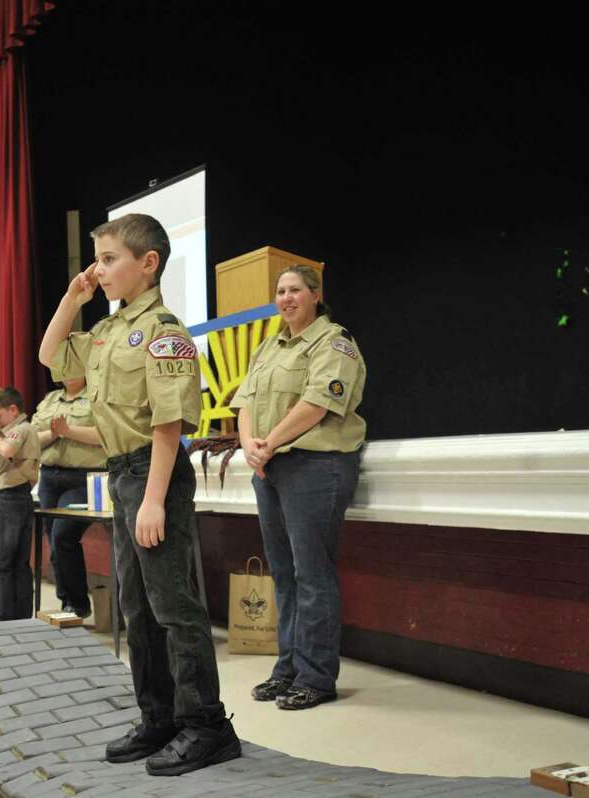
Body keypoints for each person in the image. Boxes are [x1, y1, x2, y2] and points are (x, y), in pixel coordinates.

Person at [39, 213, 240, 776]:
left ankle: (206, 725)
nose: (98, 270)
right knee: (136, 604)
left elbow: (168, 424)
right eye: (96, 260)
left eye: (108, 260)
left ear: (147, 263)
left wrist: (152, 500)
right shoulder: (107, 330)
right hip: (122, 474)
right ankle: (159, 718)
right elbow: (50, 356)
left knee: (174, 604)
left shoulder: (165, 332)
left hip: (154, 475)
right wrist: (72, 297)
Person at [230, 264, 366, 710]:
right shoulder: (270, 346)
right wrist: (250, 443)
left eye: (295, 290)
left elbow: (316, 404)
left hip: (315, 465)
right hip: (271, 466)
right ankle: (287, 669)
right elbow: (246, 400)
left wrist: (267, 443)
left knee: (312, 575)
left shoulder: (334, 342)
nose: (286, 298)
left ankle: (316, 677)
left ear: (314, 294)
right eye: (280, 291)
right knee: (284, 576)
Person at [31, 377, 106, 617]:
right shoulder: (50, 399)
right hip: (50, 477)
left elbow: (106, 434)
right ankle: (68, 603)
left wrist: (68, 431)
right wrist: (54, 434)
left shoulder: (97, 393)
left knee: (63, 536)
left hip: (84, 478)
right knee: (54, 544)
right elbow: (30, 438)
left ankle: (79, 604)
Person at [0, 387, 41, 621]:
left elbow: (7, 449)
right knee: (18, 562)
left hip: (8, 500)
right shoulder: (21, 431)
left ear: (13, 410)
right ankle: (21, 616)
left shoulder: (20, 429)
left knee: (3, 562)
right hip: (20, 497)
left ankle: (4, 617)